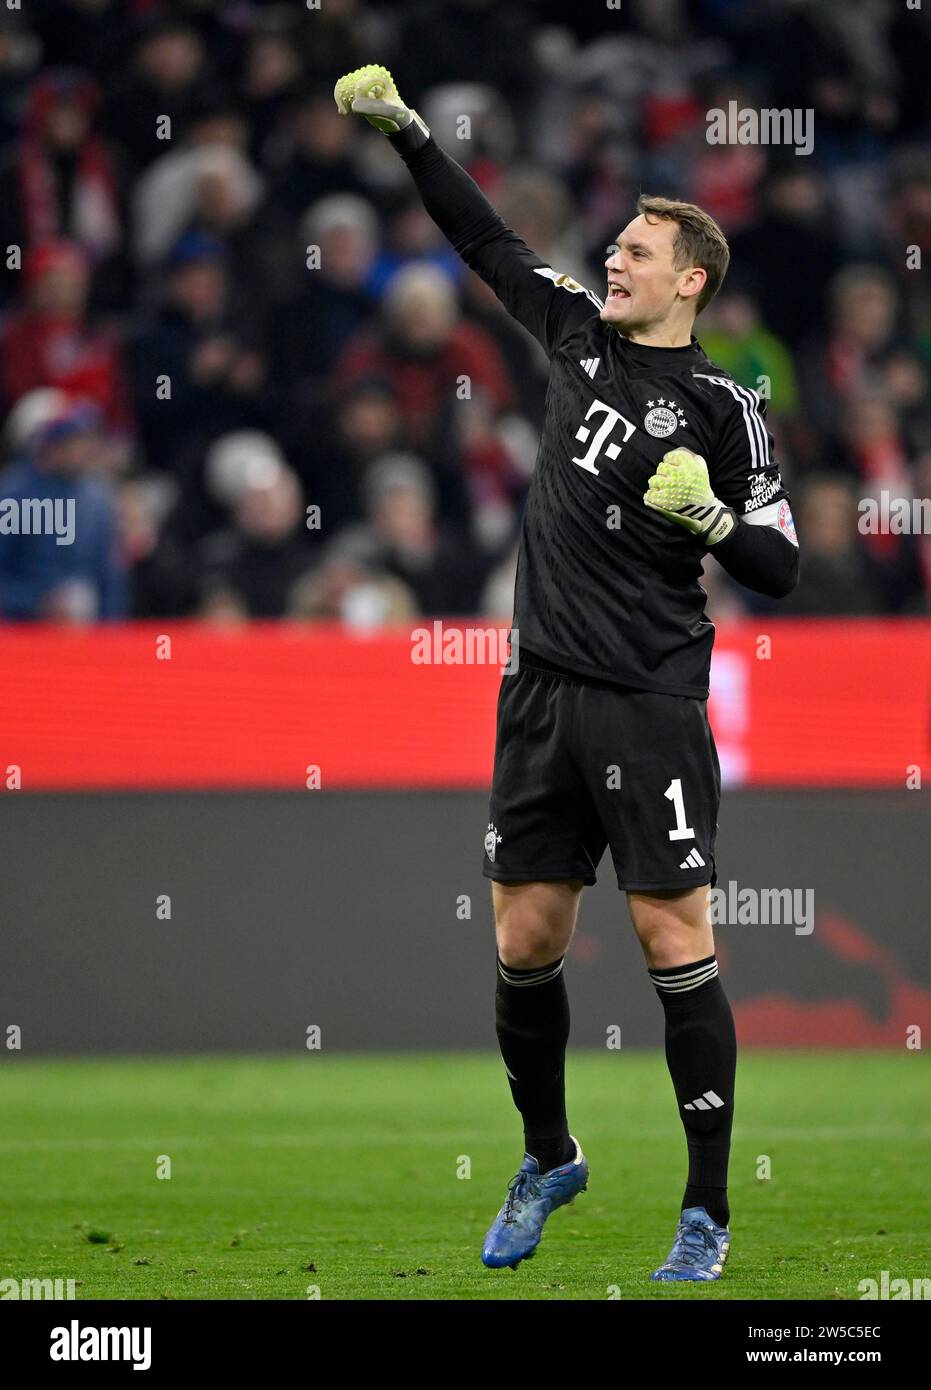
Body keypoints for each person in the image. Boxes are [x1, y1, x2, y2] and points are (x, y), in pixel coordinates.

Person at [334, 66, 799, 1283]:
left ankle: (706, 1212)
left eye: (640, 251)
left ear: (690, 279)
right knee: (526, 938)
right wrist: (409, 136)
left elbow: (783, 562)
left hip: (647, 697)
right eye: (620, 245)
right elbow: (483, 238)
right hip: (537, 689)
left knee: (670, 940)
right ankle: (548, 1156)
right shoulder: (575, 335)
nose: (617, 260)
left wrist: (713, 525)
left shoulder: (726, 407)